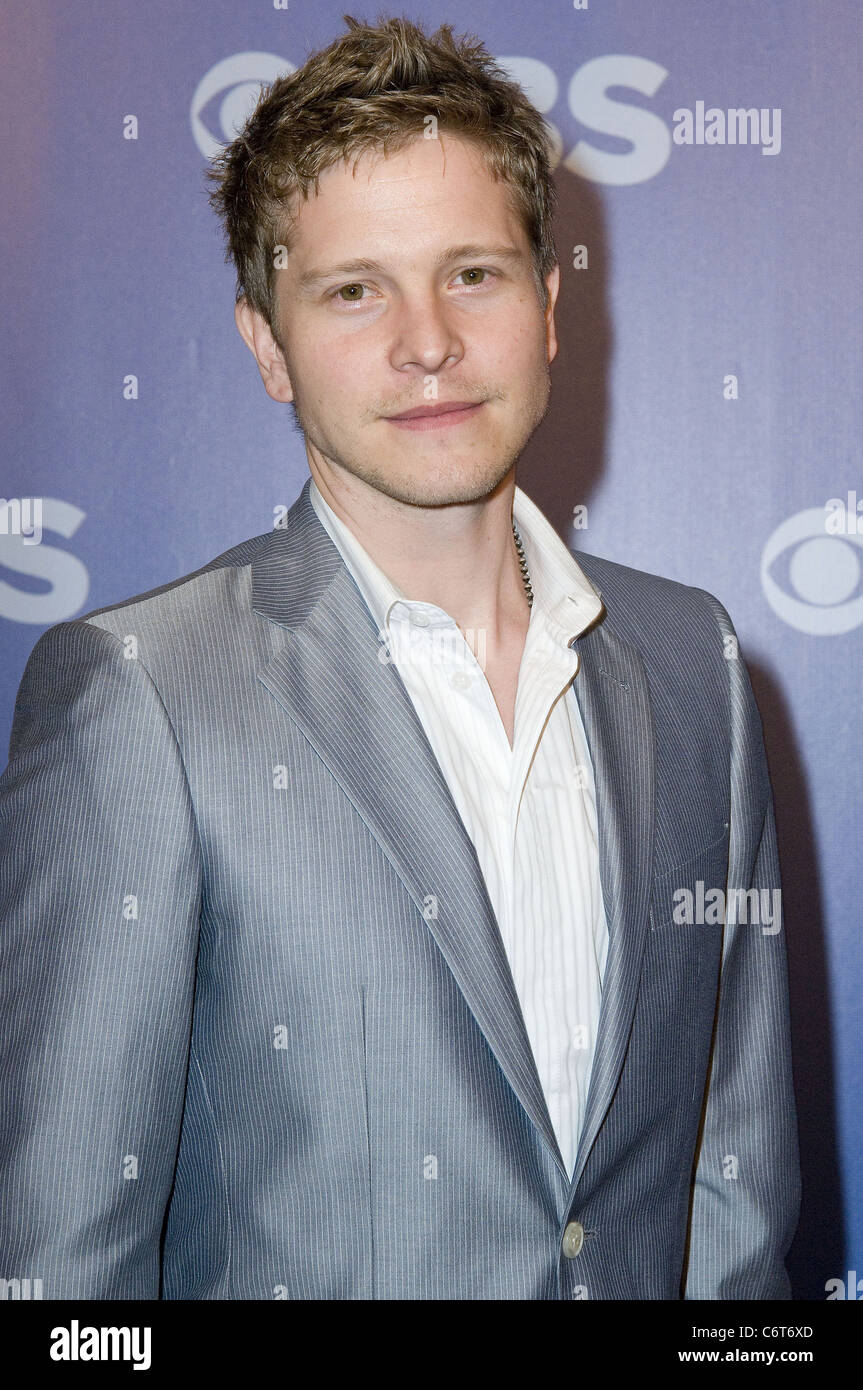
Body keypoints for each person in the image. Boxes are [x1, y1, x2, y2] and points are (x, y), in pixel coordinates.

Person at [0, 14, 799, 1300]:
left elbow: (732, 1192)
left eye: (471, 273)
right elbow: (59, 1281)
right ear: (267, 343)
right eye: (353, 288)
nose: (425, 341)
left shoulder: (690, 658)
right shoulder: (143, 692)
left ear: (545, 305)